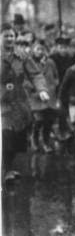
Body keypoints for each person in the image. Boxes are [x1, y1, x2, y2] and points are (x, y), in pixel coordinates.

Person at [1, 25, 48, 182]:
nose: (9, 39)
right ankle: (6, 170)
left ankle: (9, 165)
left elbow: (35, 74)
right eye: (6, 36)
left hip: (19, 101)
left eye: (12, 36)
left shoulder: (22, 56)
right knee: (6, 134)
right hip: (2, 102)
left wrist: (41, 89)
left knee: (18, 136)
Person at [28, 40, 60, 153]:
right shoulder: (30, 62)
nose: (40, 52)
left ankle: (46, 142)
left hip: (50, 97)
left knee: (49, 121)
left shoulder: (50, 62)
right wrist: (35, 90)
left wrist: (53, 86)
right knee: (39, 119)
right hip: (36, 97)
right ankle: (34, 139)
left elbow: (56, 76)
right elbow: (27, 80)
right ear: (33, 50)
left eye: (42, 49)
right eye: (38, 49)